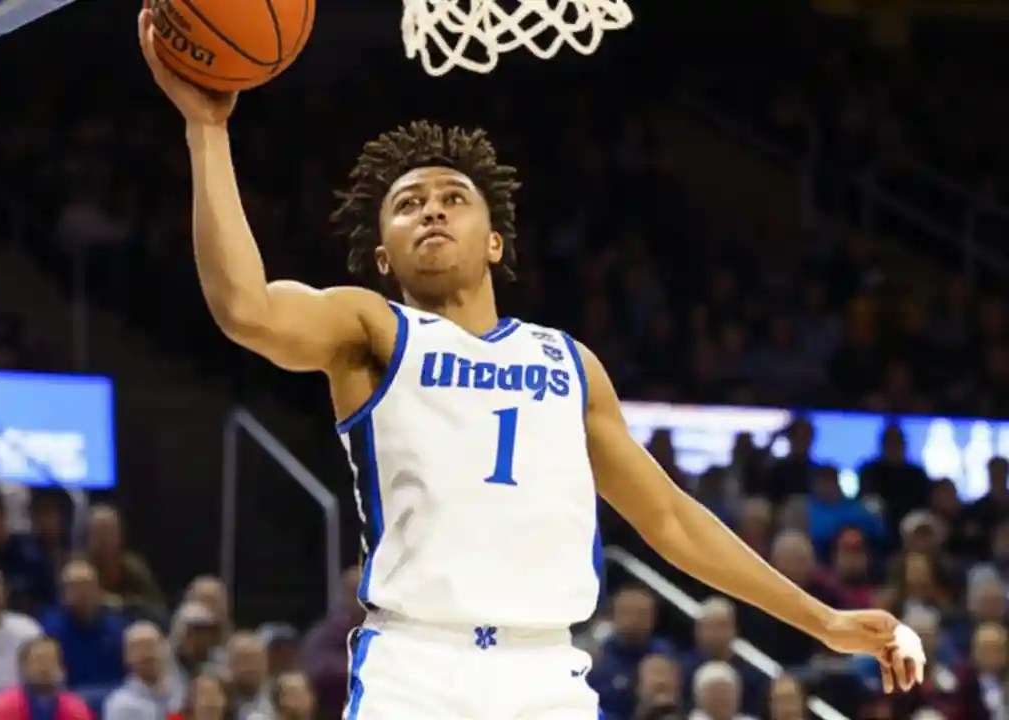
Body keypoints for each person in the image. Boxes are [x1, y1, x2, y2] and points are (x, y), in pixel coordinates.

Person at [135, 12, 923, 718]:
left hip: (547, 670)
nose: (432, 208)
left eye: (452, 197)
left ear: (493, 241)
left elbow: (671, 518)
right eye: (408, 204)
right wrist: (207, 131)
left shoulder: (568, 361)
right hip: (417, 667)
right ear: (384, 255)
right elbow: (245, 308)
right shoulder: (370, 328)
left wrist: (820, 619)